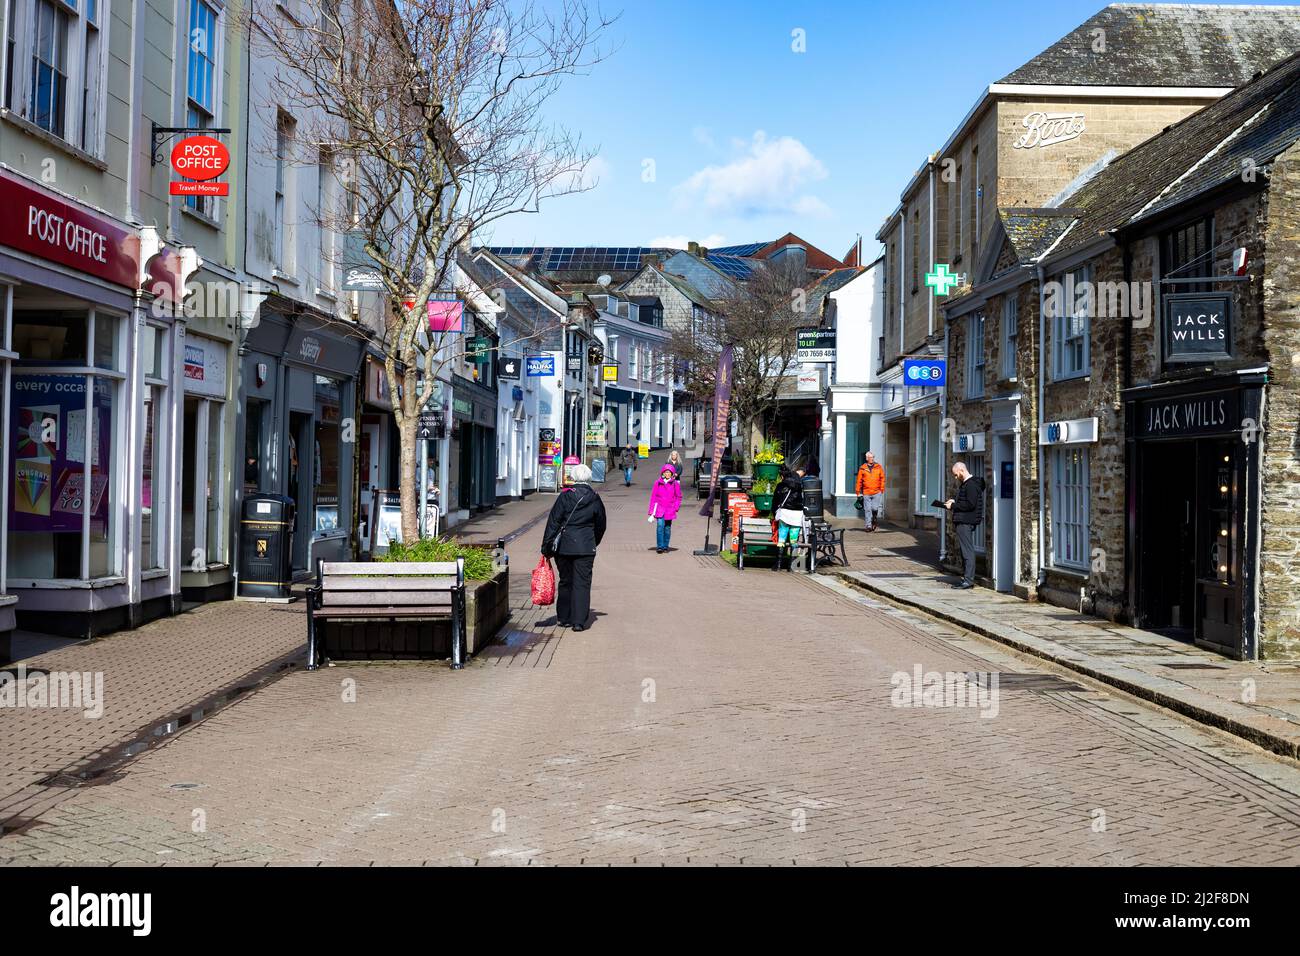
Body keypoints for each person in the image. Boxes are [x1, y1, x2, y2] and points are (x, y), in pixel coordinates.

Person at [541, 464, 607, 630]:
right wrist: (593, 541)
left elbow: (554, 522)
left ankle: (564, 618)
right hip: (586, 547)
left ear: (573, 477)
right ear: (589, 477)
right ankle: (578, 622)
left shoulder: (565, 496)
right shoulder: (595, 498)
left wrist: (546, 546)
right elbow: (601, 524)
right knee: (582, 583)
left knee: (566, 581)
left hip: (564, 546)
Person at [943, 460, 985, 590]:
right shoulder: (966, 484)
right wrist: (954, 501)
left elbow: (970, 505)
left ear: (961, 470)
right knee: (965, 551)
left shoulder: (970, 485)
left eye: (956, 475)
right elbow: (967, 501)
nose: (956, 478)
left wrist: (954, 506)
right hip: (963, 520)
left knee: (967, 551)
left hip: (965, 521)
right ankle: (967, 579)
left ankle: (968, 580)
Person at [771, 465, 805, 572]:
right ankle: (792, 566)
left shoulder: (781, 486)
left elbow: (775, 502)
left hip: (785, 514)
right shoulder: (799, 486)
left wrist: (774, 513)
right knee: (794, 540)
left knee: (781, 539)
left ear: (782, 476)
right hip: (797, 515)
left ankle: (779, 565)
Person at [647, 464, 682, 553]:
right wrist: (651, 511)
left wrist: (676, 507)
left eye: (669, 472)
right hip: (659, 508)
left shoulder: (675, 484)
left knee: (667, 528)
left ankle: (665, 546)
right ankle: (660, 546)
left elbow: (678, 496)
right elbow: (653, 497)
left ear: (672, 473)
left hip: (670, 509)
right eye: (666, 472)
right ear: (663, 473)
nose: (667, 474)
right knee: (660, 526)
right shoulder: (657, 483)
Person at [855, 451, 887, 532]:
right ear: (866, 458)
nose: (872, 459)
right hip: (866, 492)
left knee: (874, 508)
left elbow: (882, 478)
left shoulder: (878, 467)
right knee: (867, 509)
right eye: (870, 457)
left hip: (877, 492)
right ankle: (868, 526)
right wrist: (858, 492)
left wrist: (882, 489)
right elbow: (859, 481)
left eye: (873, 457)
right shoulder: (862, 468)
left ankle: (874, 518)